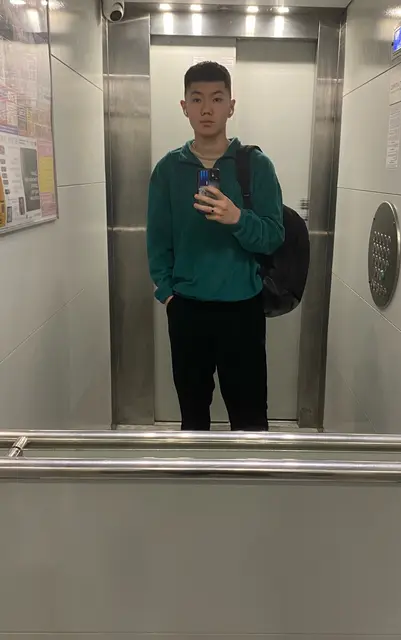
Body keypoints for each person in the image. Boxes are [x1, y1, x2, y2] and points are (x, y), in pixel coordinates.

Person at [147, 61, 284, 431]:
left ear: (231, 106)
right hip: (187, 309)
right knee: (193, 417)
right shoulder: (167, 170)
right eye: (197, 99)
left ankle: (250, 471)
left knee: (250, 417)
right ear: (184, 107)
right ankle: (195, 472)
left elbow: (274, 235)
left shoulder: (256, 165)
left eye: (217, 99)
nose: (207, 109)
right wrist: (167, 294)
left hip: (243, 308)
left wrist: (237, 218)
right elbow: (157, 239)